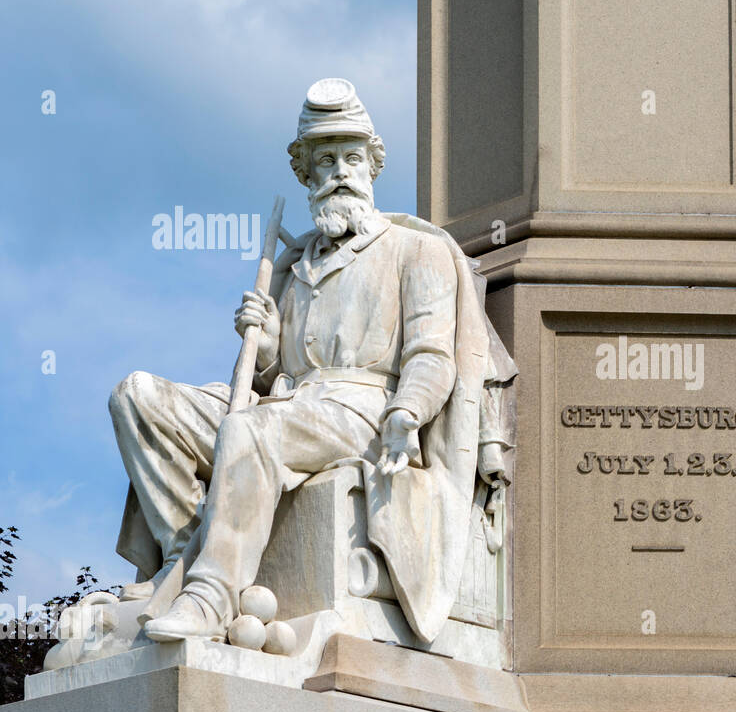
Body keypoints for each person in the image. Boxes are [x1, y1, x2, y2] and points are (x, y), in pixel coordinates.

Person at [109, 78, 513, 643]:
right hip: (288, 405)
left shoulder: (415, 250)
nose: (341, 172)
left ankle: (210, 597)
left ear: (372, 167)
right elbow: (267, 379)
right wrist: (270, 345)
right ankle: (183, 548)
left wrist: (408, 413)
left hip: (365, 410)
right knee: (138, 397)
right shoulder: (292, 265)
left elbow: (431, 356)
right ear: (307, 176)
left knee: (253, 430)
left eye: (352, 157)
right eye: (326, 160)